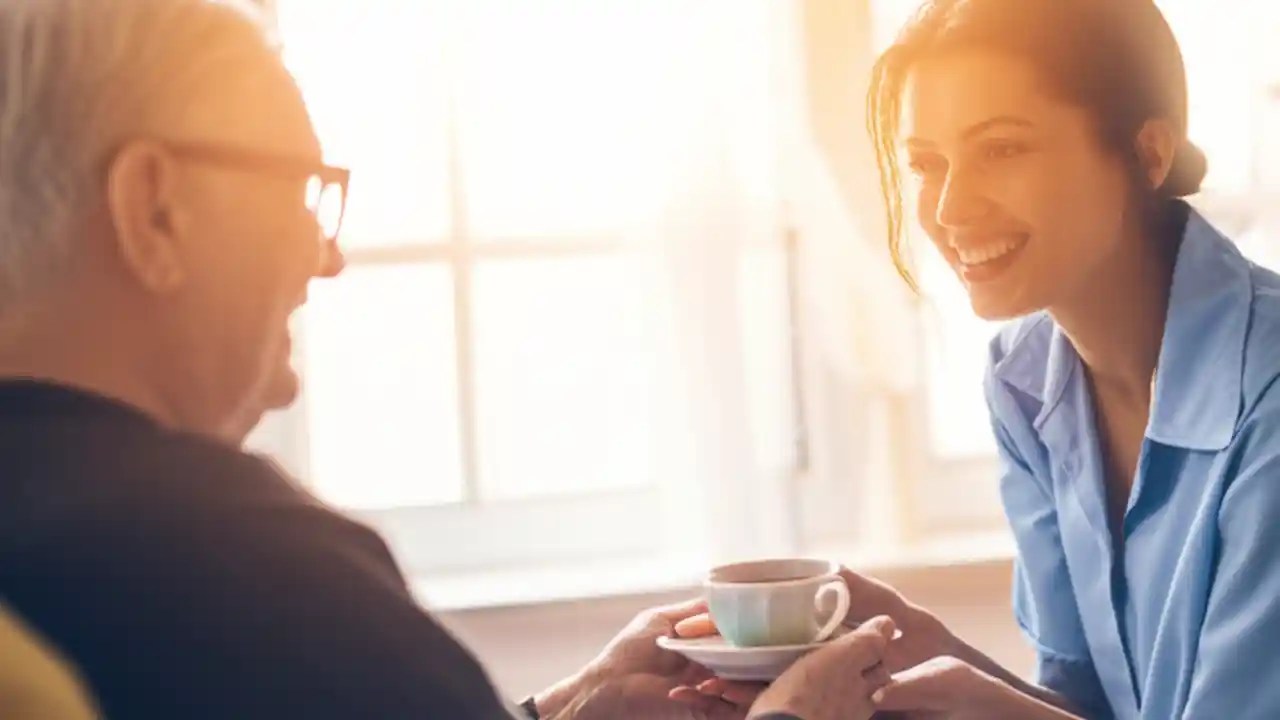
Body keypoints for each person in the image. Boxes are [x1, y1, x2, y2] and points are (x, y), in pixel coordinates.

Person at [0, 1, 894, 718]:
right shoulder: (244, 572)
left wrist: (565, 710)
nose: (327, 256)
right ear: (154, 208)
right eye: (302, 190)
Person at [678, 0, 1280, 718]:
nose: (950, 209)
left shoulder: (1269, 391)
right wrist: (918, 644)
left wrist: (974, 701)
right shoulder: (1023, 379)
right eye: (927, 164)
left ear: (1147, 153)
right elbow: (1085, 706)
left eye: (1001, 150)